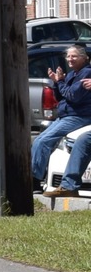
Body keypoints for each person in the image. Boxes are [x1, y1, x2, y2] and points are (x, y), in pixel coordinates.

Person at [35, 44, 91, 194]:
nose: (70, 59)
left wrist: (60, 82)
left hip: (79, 116)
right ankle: (39, 178)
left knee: (43, 141)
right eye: (68, 56)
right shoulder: (73, 74)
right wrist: (56, 83)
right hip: (65, 115)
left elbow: (73, 96)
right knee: (39, 140)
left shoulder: (86, 73)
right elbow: (62, 97)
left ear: (85, 58)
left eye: (74, 56)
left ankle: (34, 180)